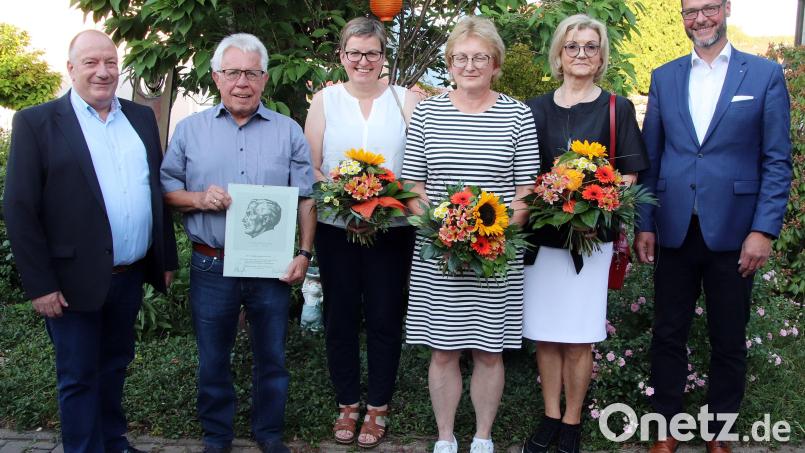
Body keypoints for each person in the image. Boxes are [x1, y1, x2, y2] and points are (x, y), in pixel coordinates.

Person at [3, 30, 178, 453]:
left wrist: (165, 257)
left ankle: (113, 441)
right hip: (69, 280)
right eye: (91, 63)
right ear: (71, 68)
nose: (103, 72)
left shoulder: (139, 118)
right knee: (79, 375)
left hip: (129, 273)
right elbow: (19, 209)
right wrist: (40, 285)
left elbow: (154, 192)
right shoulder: (37, 122)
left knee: (115, 365)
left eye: (111, 62)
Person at [634, 1, 792, 452]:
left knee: (728, 336)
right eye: (690, 12)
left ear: (726, 9)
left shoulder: (763, 75)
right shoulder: (664, 76)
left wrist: (763, 230)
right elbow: (652, 157)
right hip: (674, 226)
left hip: (736, 232)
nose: (699, 19)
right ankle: (666, 428)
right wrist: (644, 221)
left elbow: (777, 161)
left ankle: (718, 433)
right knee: (667, 333)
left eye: (708, 9)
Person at [160, 33, 316, 453]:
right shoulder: (190, 131)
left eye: (251, 73)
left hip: (270, 267)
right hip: (212, 265)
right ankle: (217, 435)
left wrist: (304, 253)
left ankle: (268, 434)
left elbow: (306, 198)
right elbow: (165, 188)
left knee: (272, 359)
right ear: (216, 77)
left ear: (264, 79)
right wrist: (197, 198)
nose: (242, 82)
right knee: (213, 359)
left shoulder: (288, 132)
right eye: (232, 73)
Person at [400, 16, 539, 453]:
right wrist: (445, 233)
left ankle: (482, 436)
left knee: (488, 352)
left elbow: (525, 193)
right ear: (450, 63)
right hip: (439, 255)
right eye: (461, 57)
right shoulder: (427, 112)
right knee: (442, 351)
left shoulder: (518, 115)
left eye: (480, 57)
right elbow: (414, 189)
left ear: (496, 63)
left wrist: (490, 235)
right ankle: (445, 437)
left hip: (495, 254)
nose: (470, 65)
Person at [520, 14, 649, 453]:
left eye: (590, 46)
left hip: (590, 242)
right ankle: (549, 416)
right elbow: (524, 174)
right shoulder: (533, 109)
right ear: (558, 53)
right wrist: (553, 197)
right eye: (572, 46)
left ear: (601, 56)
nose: (581, 54)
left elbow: (630, 173)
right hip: (544, 241)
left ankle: (572, 422)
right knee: (546, 333)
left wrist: (592, 198)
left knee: (578, 336)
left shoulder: (617, 108)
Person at [303, 17, 419, 448]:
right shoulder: (325, 101)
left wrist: (384, 199)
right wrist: (344, 200)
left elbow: (420, 167)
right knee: (341, 315)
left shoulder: (407, 100)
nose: (363, 61)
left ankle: (379, 407)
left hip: (392, 229)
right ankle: (348, 403)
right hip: (338, 228)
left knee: (386, 316)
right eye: (355, 53)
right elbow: (311, 165)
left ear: (383, 56)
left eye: (372, 53)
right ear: (342, 56)